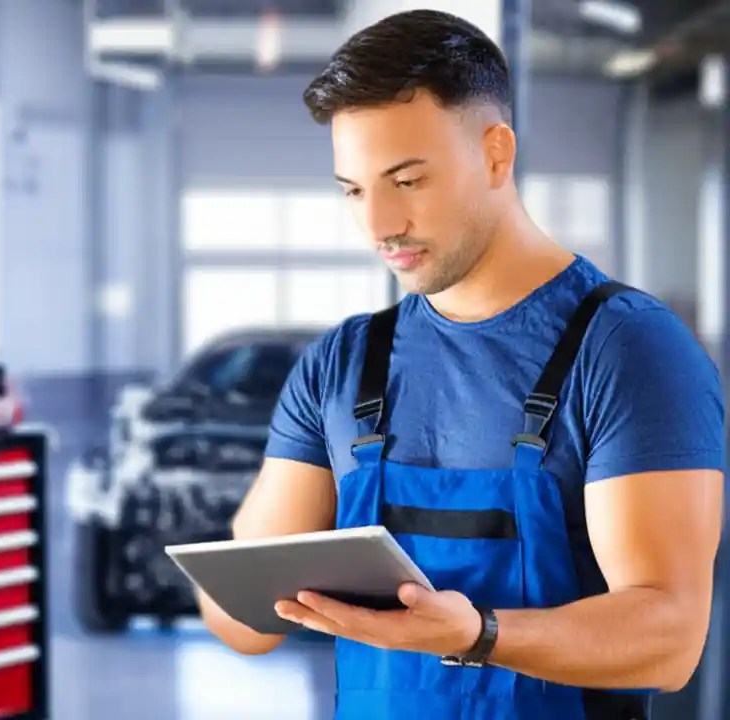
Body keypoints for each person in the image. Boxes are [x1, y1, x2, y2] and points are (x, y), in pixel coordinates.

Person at [196, 9, 726, 720]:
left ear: (497, 154)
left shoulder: (629, 350)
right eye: (354, 190)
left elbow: (669, 641)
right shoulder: (342, 364)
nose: (379, 224)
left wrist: (478, 635)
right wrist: (238, 574)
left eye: (408, 181)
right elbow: (243, 625)